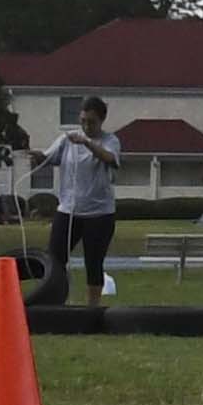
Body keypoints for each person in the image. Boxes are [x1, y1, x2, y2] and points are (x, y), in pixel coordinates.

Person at [37, 97, 122, 305]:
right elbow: (48, 158)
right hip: (68, 212)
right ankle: (54, 301)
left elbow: (110, 159)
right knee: (54, 260)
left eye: (91, 122)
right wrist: (35, 156)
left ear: (101, 121)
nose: (85, 126)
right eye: (83, 120)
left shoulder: (110, 141)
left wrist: (86, 142)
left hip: (100, 215)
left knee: (93, 262)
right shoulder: (66, 140)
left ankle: (93, 308)